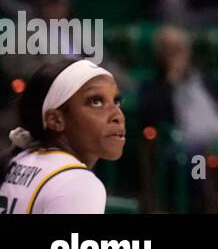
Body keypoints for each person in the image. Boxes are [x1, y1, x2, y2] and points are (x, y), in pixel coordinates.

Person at [0, 60, 125, 214]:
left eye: (116, 101)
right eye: (96, 102)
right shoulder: (77, 183)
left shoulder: (17, 159)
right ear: (56, 120)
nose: (117, 115)